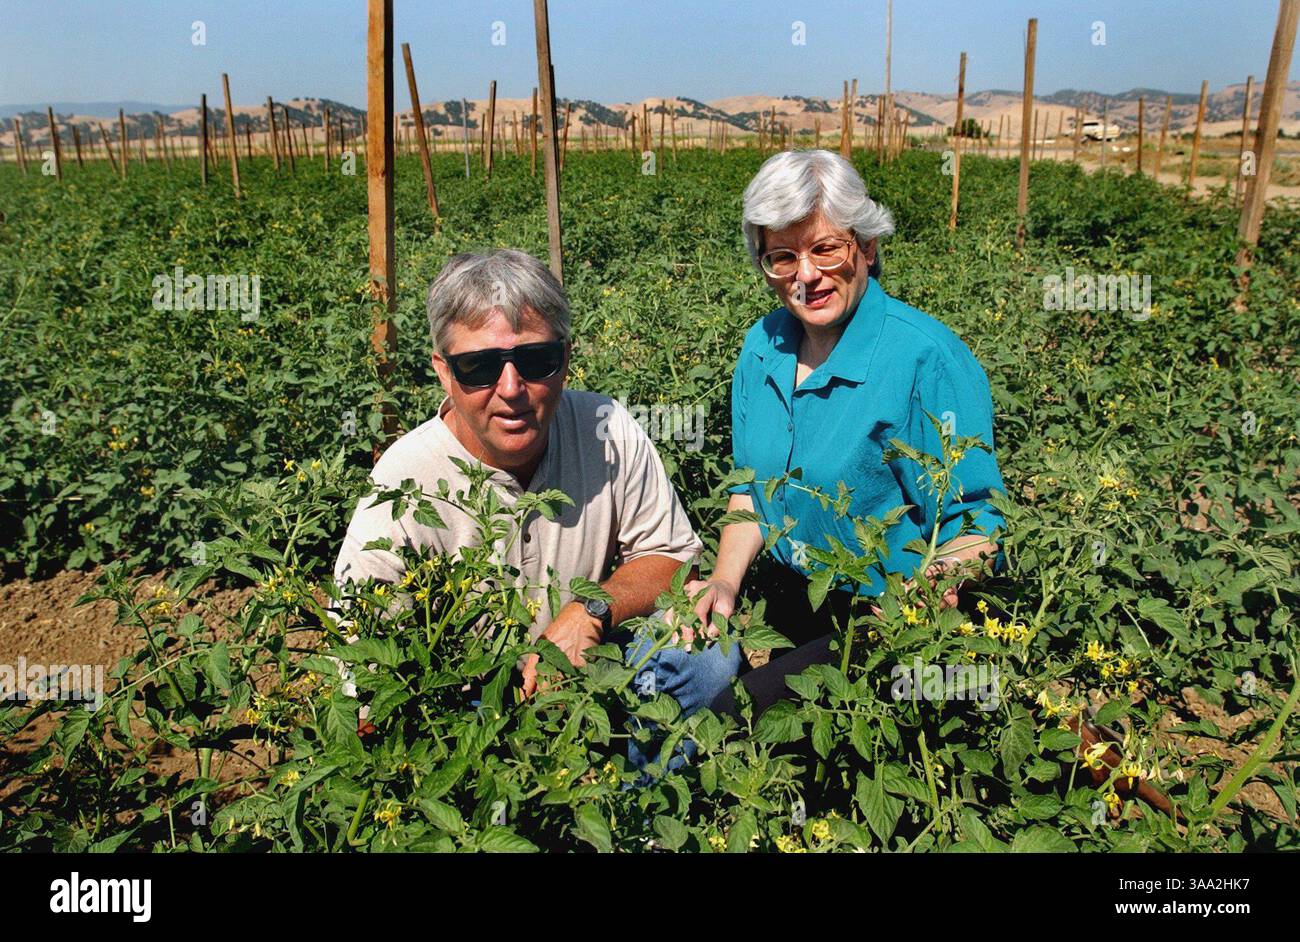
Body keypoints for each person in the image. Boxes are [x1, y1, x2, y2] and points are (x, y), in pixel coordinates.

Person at [331, 248, 740, 771]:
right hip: (470, 711)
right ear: (442, 371)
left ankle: (625, 808)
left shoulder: (606, 429)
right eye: (477, 366)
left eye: (534, 360)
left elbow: (673, 556)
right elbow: (361, 661)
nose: (510, 390)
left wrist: (590, 611)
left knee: (709, 657)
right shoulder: (404, 481)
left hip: (590, 677)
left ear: (565, 358)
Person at [682, 149, 1007, 720]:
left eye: (824, 249)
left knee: (731, 728)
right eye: (781, 258)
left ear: (867, 246)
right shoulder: (763, 347)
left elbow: (980, 525)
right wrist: (725, 582)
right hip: (790, 604)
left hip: (888, 620)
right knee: (674, 684)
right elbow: (749, 492)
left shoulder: (924, 359)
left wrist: (922, 595)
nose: (805, 276)